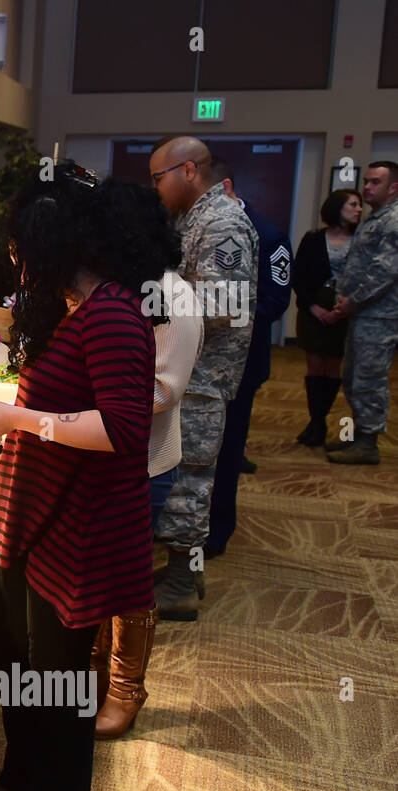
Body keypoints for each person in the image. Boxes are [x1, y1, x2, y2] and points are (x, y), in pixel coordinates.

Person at [0, 162, 176, 791]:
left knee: (58, 676)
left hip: (80, 525)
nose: (15, 266)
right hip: (39, 512)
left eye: (19, 252)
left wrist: (18, 422)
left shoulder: (112, 314)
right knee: (15, 654)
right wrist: (12, 421)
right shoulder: (78, 309)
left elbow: (120, 430)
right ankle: (20, 777)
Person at [149, 136, 258, 621]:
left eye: (159, 177)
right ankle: (185, 570)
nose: (156, 187)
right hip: (191, 368)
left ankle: (179, 585)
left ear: (188, 170)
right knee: (187, 471)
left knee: (188, 476)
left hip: (202, 374)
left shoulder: (222, 223)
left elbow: (225, 305)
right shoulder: (197, 219)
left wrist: (149, 308)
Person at [91, 269, 202, 738]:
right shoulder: (102, 283)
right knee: (95, 574)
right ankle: (94, 675)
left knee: (126, 580)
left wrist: (76, 401)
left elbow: (163, 390)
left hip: (145, 462)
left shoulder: (173, 294)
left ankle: (125, 688)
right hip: (95, 451)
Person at [205, 157, 291, 558]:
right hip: (198, 363)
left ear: (223, 187)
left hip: (241, 362)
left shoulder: (269, 234)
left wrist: (227, 316)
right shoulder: (198, 229)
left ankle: (217, 531)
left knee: (227, 447)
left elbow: (276, 300)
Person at [324, 160, 398, 465]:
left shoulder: (393, 220)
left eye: (374, 183)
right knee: (354, 377)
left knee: (369, 379)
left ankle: (368, 443)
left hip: (378, 316)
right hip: (363, 313)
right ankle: (357, 435)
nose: (366, 187)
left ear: (393, 187)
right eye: (366, 181)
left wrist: (352, 300)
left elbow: (384, 272)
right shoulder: (375, 218)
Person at [290, 189, 363, 446]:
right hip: (314, 310)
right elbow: (298, 276)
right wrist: (314, 307)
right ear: (337, 207)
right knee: (315, 365)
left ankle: (320, 420)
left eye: (359, 205)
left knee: (333, 366)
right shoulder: (313, 238)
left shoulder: (362, 239)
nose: (358, 209)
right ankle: (316, 421)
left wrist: (344, 308)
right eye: (353, 204)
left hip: (345, 310)